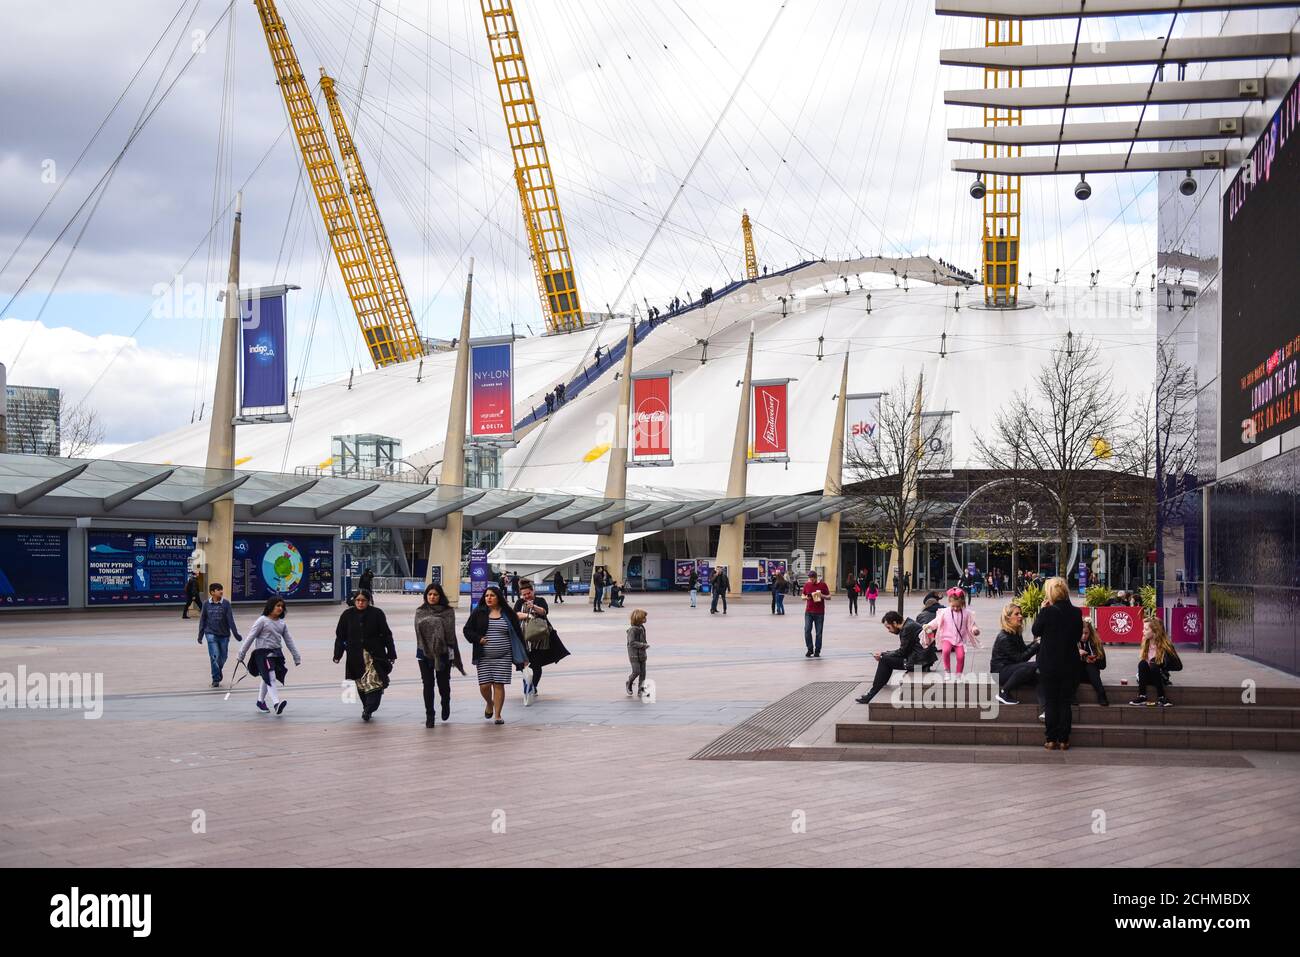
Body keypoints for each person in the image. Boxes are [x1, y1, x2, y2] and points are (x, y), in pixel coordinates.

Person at [1032, 576, 1084, 750]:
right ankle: (1064, 740)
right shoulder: (1076, 613)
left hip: (1049, 663)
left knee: (1051, 701)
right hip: (1070, 663)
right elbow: (1077, 637)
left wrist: (1041, 611)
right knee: (1065, 702)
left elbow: (1035, 631)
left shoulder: (1047, 612)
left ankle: (1051, 739)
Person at [463, 584, 526, 724]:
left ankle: (498, 715)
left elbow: (518, 634)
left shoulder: (508, 613)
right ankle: (489, 703)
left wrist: (524, 656)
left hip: (504, 656)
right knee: (484, 686)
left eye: (492, 595)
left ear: (498, 597)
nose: (489, 598)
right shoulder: (478, 612)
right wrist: (478, 639)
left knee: (499, 684)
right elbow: (467, 630)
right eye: (486, 596)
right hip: (483, 656)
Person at [333, 591, 396, 722]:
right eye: (358, 600)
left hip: (374, 656)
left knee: (374, 682)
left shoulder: (377, 613)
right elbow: (340, 636)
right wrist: (337, 654)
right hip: (354, 656)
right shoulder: (347, 615)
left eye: (363, 600)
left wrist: (391, 653)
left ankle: (370, 708)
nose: (360, 603)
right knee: (361, 684)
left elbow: (386, 634)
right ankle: (367, 707)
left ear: (368, 601)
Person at [237, 597, 300, 715]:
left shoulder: (282, 623)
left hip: (276, 653)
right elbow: (250, 637)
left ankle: (260, 701)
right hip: (263, 654)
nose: (280, 608)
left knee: (267, 677)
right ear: (270, 607)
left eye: (282, 606)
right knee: (270, 676)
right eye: (278, 606)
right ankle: (276, 704)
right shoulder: (262, 620)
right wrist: (241, 654)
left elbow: (289, 640)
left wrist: (296, 656)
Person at [415, 582, 464, 727]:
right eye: (429, 594)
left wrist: (434, 624)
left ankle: (445, 702)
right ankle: (430, 714)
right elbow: (418, 631)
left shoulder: (448, 611)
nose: (432, 597)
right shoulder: (420, 611)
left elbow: (449, 633)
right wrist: (435, 624)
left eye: (435, 594)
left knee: (443, 683)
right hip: (423, 651)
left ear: (440, 596)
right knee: (427, 684)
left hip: (443, 651)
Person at [514, 579, 570, 700]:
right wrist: (528, 615)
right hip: (524, 638)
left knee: (536, 664)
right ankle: (528, 685)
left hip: (539, 638)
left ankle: (533, 686)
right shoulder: (519, 602)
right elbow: (516, 615)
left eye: (528, 593)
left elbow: (544, 612)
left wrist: (533, 607)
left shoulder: (540, 601)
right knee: (523, 664)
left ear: (533, 591)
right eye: (524, 594)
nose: (526, 596)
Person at [856, 611, 924, 704]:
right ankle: (878, 686)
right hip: (920, 659)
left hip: (918, 663)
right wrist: (884, 654)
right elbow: (904, 650)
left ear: (895, 623)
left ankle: (872, 693)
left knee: (884, 660)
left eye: (889, 627)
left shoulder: (907, 628)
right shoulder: (909, 624)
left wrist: (883, 655)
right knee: (885, 659)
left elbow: (902, 652)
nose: (889, 630)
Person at [924, 587, 981, 679]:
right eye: (953, 606)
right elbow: (937, 621)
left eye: (958, 606)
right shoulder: (945, 612)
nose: (955, 608)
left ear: (962, 604)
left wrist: (975, 630)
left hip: (960, 640)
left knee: (961, 656)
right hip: (947, 637)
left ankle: (958, 674)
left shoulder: (966, 613)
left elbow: (971, 624)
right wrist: (929, 626)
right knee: (945, 651)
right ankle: (947, 670)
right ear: (949, 602)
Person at [990, 602, 1040, 706]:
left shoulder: (1015, 633)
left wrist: (1036, 642)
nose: (1020, 616)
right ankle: (1003, 693)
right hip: (1000, 672)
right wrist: (1036, 645)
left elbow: (1023, 650)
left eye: (1020, 613)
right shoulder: (1004, 637)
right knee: (1034, 666)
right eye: (1016, 614)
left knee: (1038, 672)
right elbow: (1020, 658)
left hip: (1010, 668)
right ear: (1008, 618)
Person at [196, 582, 243, 688]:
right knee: (214, 656)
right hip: (210, 633)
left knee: (223, 657)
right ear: (212, 592)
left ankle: (218, 671)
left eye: (221, 589)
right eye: (218, 590)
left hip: (224, 635)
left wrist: (236, 634)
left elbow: (230, 620)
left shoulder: (226, 603)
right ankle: (215, 679)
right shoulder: (206, 604)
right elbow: (202, 620)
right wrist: (200, 635)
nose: (221, 591)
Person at [1130, 618, 1180, 707]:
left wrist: (1162, 663)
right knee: (1142, 663)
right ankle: (1142, 696)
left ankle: (1162, 697)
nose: (1143, 631)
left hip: (1160, 677)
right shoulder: (1145, 642)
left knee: (1154, 662)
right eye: (1143, 628)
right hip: (1147, 678)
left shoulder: (1166, 645)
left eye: (1146, 629)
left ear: (1155, 632)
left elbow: (1178, 666)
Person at [1077, 617, 1109, 706]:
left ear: (1090, 633)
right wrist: (1078, 655)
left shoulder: (1096, 643)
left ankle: (1102, 694)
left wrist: (1094, 660)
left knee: (1090, 666)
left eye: (1086, 633)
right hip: (1076, 674)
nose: (1083, 636)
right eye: (1081, 633)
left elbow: (1103, 665)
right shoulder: (1072, 642)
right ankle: (1071, 696)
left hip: (1091, 675)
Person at [802, 569, 830, 657]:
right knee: (807, 630)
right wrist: (806, 598)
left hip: (819, 612)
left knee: (818, 632)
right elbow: (802, 595)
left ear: (816, 577)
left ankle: (817, 650)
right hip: (809, 612)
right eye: (810, 578)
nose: (811, 580)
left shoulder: (822, 584)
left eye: (812, 578)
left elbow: (829, 596)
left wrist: (822, 596)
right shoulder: (807, 585)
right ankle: (810, 649)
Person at [625, 608, 650, 697]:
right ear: (639, 619)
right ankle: (629, 682)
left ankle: (641, 689)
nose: (645, 619)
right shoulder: (632, 630)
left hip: (642, 654)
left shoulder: (642, 628)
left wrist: (645, 644)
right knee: (636, 671)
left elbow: (644, 639)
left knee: (643, 672)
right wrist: (643, 645)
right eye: (644, 618)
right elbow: (631, 643)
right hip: (634, 655)